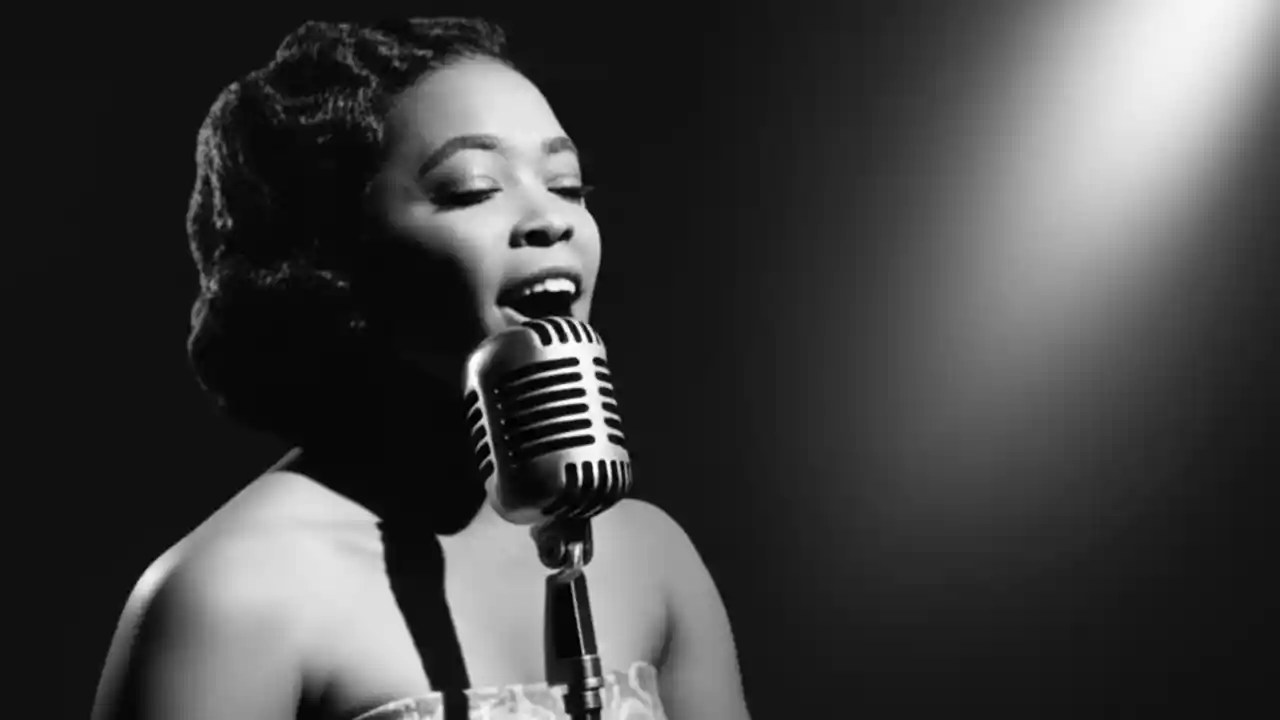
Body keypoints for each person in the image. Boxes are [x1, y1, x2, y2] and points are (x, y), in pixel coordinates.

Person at [90, 17, 751, 720]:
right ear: (329, 256)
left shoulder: (650, 558)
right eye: (471, 189)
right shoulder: (233, 593)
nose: (550, 220)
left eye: (567, 184)